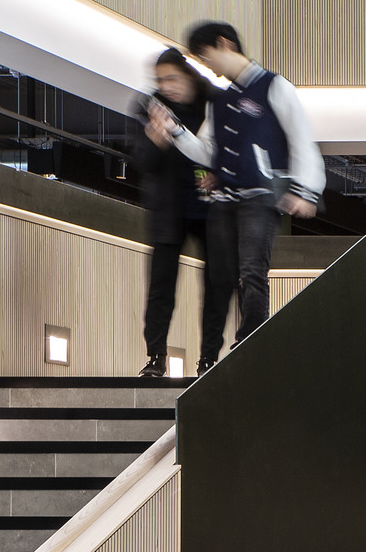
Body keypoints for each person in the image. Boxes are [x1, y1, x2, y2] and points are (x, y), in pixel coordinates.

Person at [149, 21, 325, 372]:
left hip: (260, 198)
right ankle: (225, 354)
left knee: (252, 273)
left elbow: (301, 139)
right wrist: (176, 132)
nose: (206, 65)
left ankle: (251, 346)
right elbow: (208, 151)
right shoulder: (221, 100)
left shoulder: (274, 86)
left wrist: (306, 189)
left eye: (205, 56)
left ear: (224, 44)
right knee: (222, 278)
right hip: (223, 202)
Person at [128, 48, 211, 379]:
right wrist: (156, 139)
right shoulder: (148, 107)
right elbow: (141, 162)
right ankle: (155, 357)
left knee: (215, 287)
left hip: (208, 207)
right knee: (161, 289)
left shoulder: (210, 104)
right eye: (160, 80)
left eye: (172, 78)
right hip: (167, 211)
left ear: (187, 74)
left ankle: (208, 358)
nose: (166, 86)